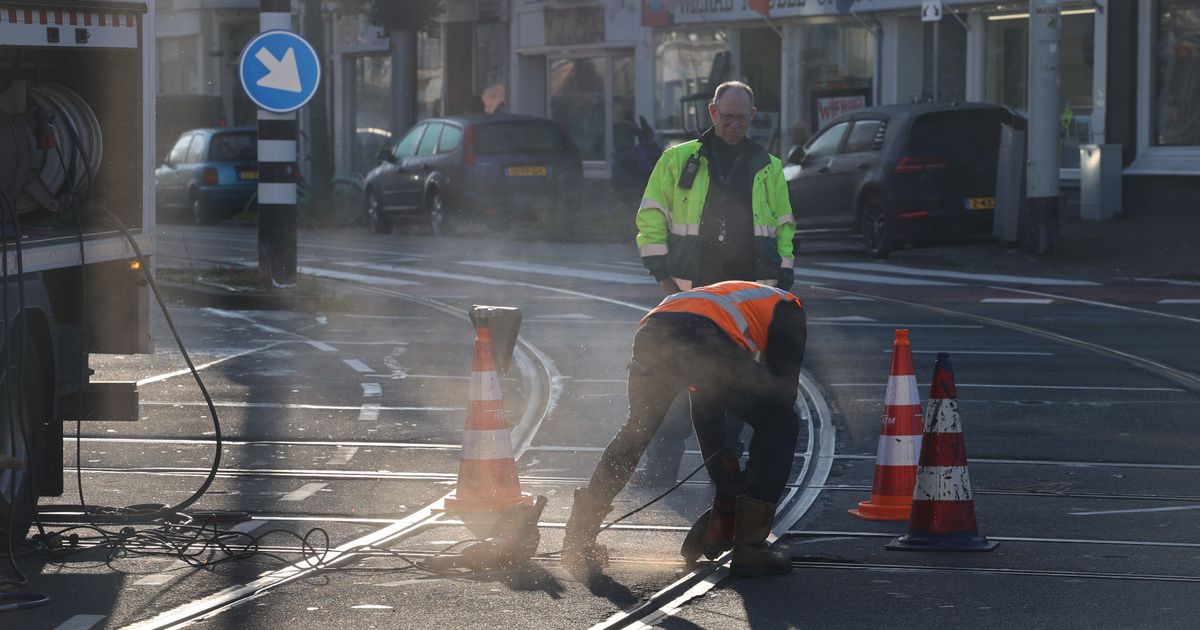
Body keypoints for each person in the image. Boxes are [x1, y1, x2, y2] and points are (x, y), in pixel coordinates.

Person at [563, 281, 807, 577]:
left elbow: (704, 396)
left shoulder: (725, 301)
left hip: (652, 333)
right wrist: (733, 491)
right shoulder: (789, 310)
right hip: (707, 338)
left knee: (637, 430)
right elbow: (783, 395)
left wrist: (725, 484)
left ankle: (578, 538)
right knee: (781, 422)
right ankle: (751, 549)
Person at [631, 81, 796, 486]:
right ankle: (659, 474)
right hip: (690, 294)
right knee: (673, 386)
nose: (734, 125)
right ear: (712, 113)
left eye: (741, 118)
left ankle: (726, 479)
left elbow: (784, 227)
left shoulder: (768, 167)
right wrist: (664, 279)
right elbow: (651, 216)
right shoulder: (678, 160)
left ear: (752, 117)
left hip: (743, 301)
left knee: (735, 389)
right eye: (727, 117)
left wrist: (780, 288)